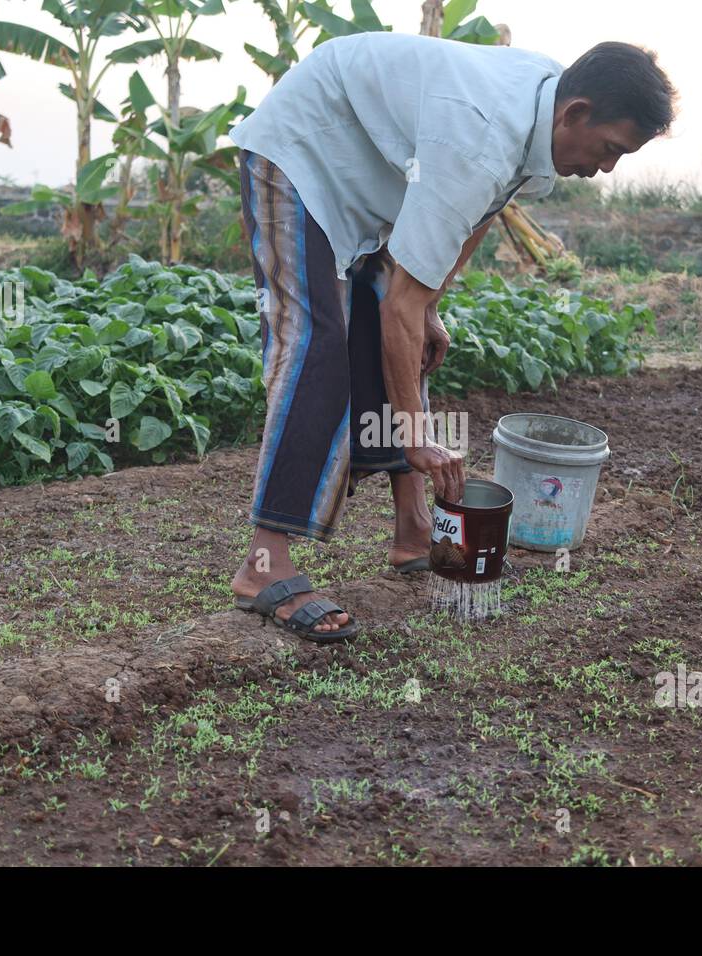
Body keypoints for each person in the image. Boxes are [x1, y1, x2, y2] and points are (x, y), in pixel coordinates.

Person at [228, 33, 677, 641]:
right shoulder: (480, 136)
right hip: (303, 153)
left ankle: (415, 530)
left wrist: (429, 304)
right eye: (610, 149)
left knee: (400, 340)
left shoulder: (544, 109)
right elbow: (402, 302)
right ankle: (264, 566)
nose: (606, 167)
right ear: (576, 115)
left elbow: (482, 210)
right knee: (319, 345)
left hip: (372, 182)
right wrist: (417, 435)